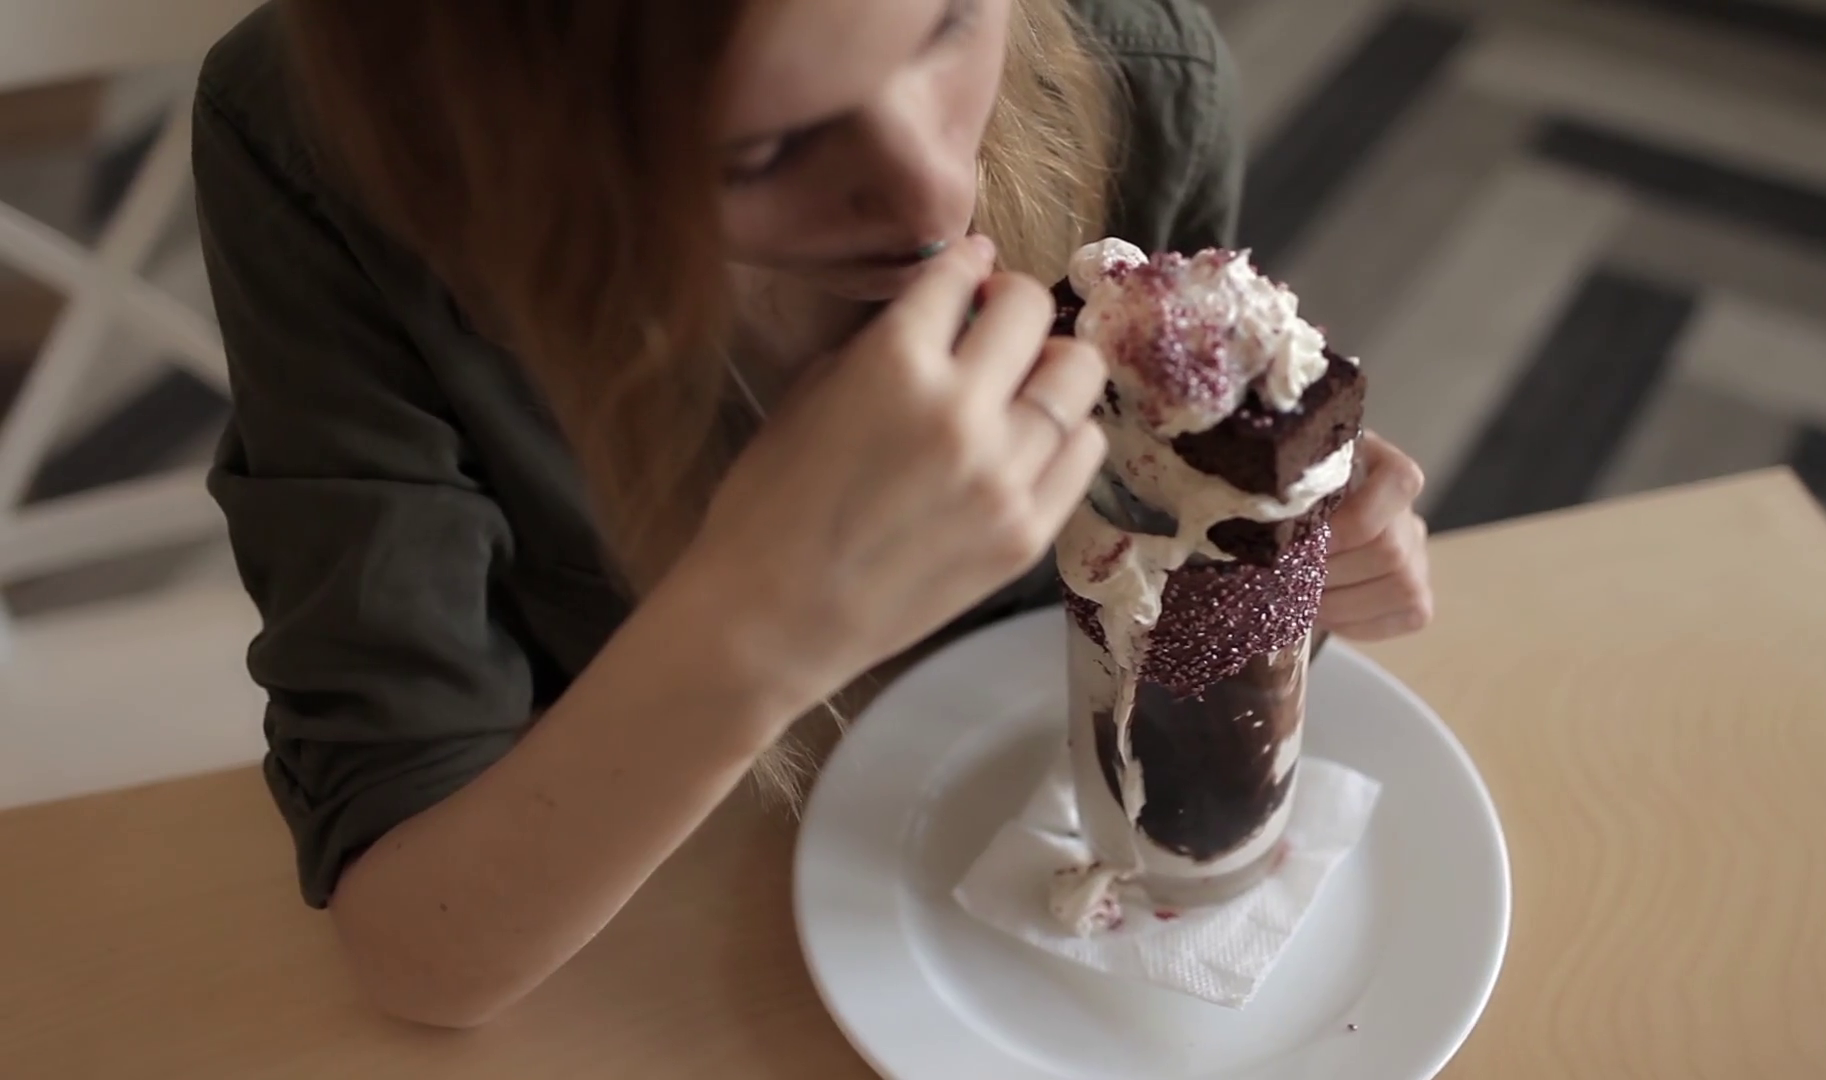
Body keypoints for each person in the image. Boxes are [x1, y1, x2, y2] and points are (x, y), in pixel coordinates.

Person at [193, 0, 1433, 1028]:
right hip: (634, 909)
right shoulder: (336, 168)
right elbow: (422, 956)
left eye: (949, 24)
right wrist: (757, 621)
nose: (931, 195)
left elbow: (1146, 564)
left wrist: (1248, 543)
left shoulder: (1138, 77)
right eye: (761, 152)